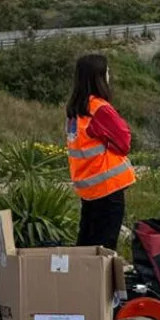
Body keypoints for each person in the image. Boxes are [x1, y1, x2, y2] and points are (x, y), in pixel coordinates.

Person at [65, 53, 137, 251]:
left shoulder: (75, 111)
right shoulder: (100, 109)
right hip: (108, 188)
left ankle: (80, 281)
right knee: (105, 249)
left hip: (89, 188)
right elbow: (124, 142)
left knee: (86, 246)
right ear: (99, 77)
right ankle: (100, 283)